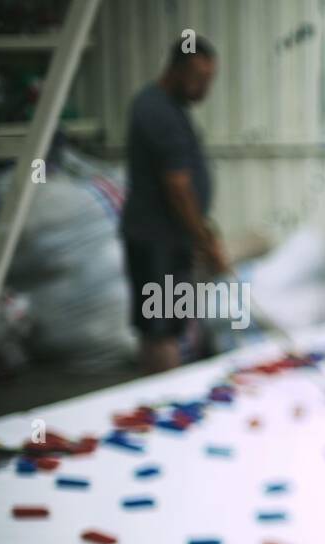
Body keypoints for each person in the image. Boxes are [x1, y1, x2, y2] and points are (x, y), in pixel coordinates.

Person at [120, 36, 228, 374]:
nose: (204, 89)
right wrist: (203, 239)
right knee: (160, 329)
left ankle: (161, 395)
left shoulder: (169, 108)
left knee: (169, 325)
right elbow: (179, 186)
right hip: (156, 243)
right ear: (177, 70)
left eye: (210, 80)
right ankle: (160, 401)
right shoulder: (157, 110)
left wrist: (203, 232)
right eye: (199, 79)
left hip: (169, 241)